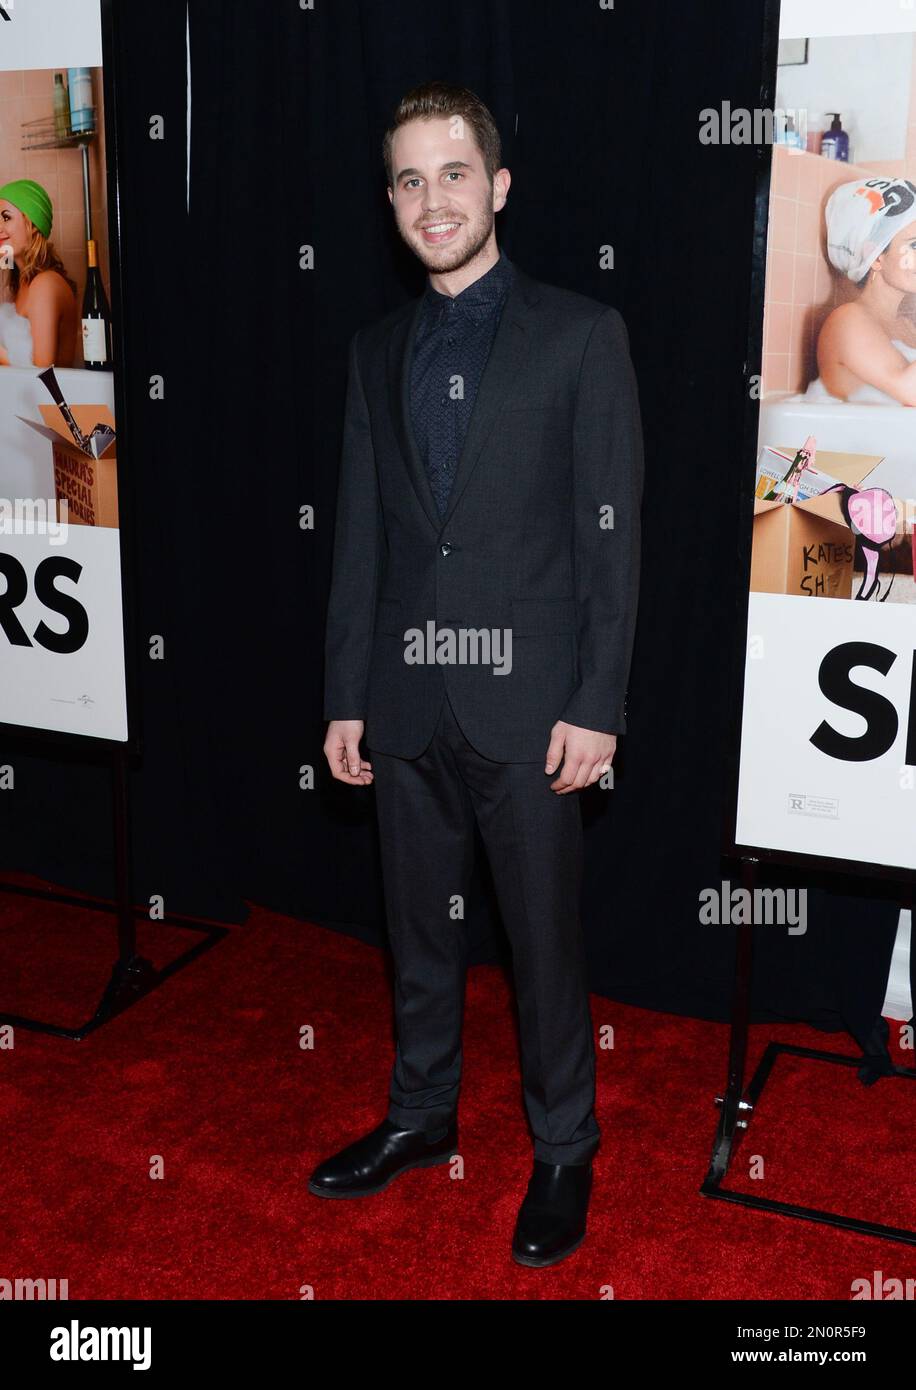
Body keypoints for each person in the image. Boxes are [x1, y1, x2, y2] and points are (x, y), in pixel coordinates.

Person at [313, 81, 643, 1269]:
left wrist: (596, 703)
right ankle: (418, 1114)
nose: (430, 198)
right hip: (404, 698)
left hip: (531, 704)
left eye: (452, 173)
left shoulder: (580, 332)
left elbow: (612, 537)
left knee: (544, 945)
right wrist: (346, 691)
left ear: (496, 187)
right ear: (391, 202)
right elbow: (363, 535)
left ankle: (564, 1148)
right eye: (407, 179)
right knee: (415, 934)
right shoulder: (374, 348)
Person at [806, 176, 916, 405]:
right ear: (875, 257)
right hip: (855, 441)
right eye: (914, 245)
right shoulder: (847, 320)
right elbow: (911, 392)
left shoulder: (906, 325)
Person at [0, 178, 78, 369]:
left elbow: (42, 371)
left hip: (48, 398)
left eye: (6, 217)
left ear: (33, 224)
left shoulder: (46, 284)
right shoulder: (19, 283)